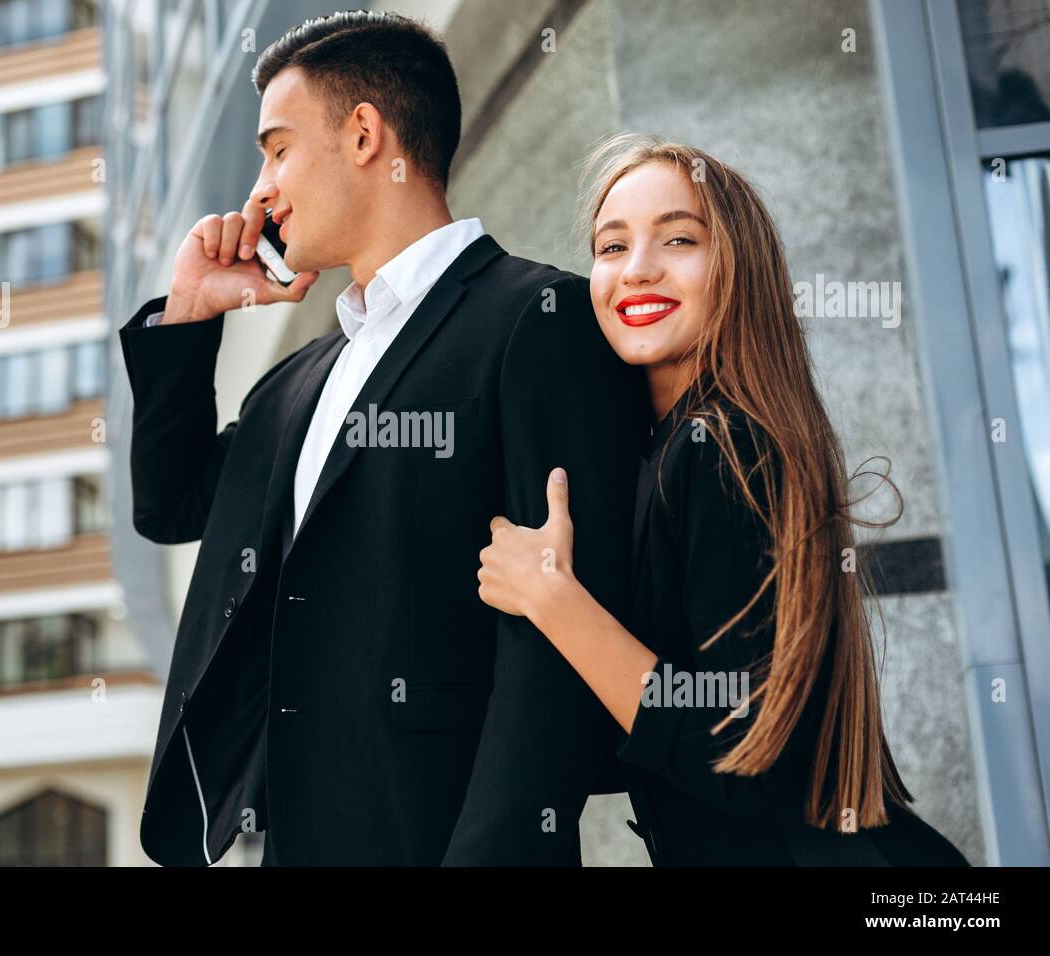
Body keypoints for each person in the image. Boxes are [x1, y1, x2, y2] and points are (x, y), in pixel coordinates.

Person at [120, 11, 645, 865]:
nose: (259, 191)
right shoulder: (298, 382)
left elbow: (551, 648)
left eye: (277, 149)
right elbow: (173, 507)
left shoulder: (535, 320)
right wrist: (188, 312)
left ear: (365, 134)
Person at [476, 133, 969, 866]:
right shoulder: (678, 449)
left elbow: (740, 744)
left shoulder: (724, 445)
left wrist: (553, 599)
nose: (637, 268)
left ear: (738, 270)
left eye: (678, 239)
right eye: (611, 248)